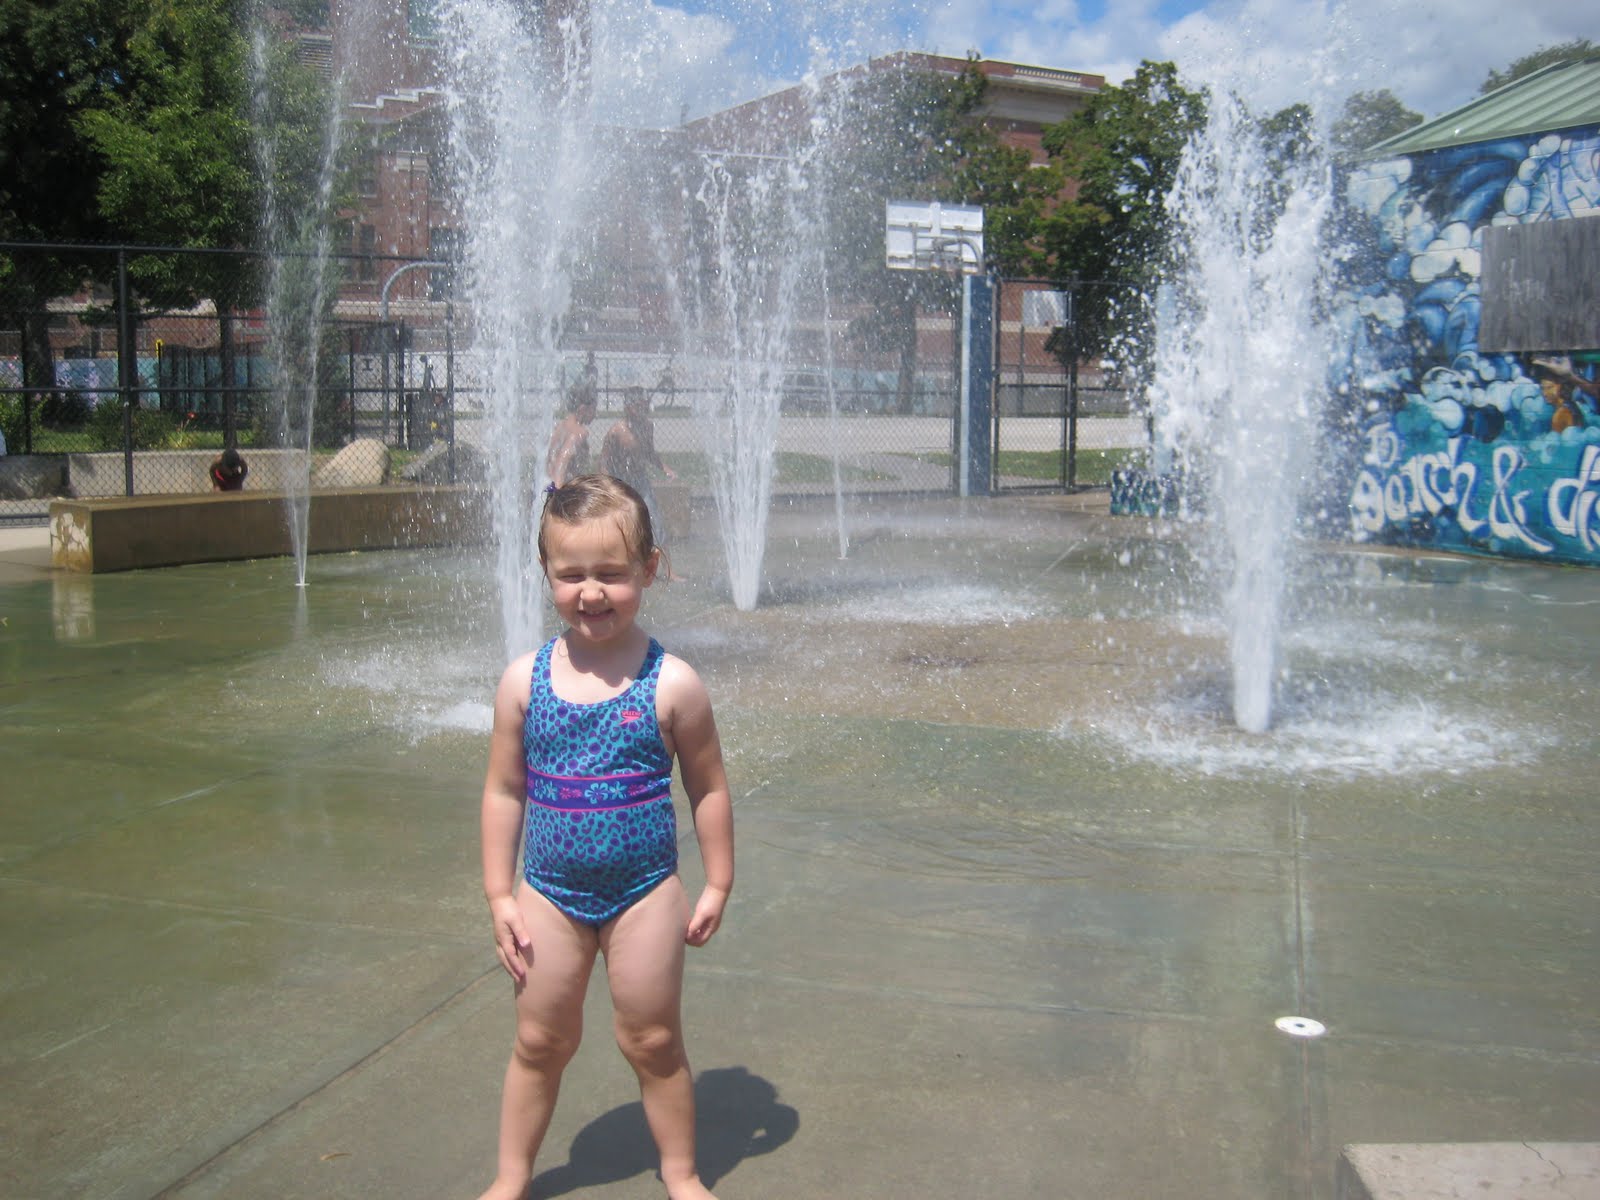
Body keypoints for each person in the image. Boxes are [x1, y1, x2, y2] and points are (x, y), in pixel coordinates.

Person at [477, 474, 733, 1200]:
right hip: (548, 891)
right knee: (539, 1040)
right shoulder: (524, 681)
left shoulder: (672, 684)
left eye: (612, 574)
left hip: (645, 892)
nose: (591, 592)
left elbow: (708, 787)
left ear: (649, 569)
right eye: (572, 575)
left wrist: (718, 881)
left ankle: (681, 1173)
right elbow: (503, 790)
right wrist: (499, 893)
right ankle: (511, 1176)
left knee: (652, 1039)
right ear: (545, 572)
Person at [599, 386, 677, 533]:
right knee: (621, 520)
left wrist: (665, 468)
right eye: (638, 405)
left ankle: (657, 544)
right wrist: (608, 485)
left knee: (652, 518)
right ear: (627, 407)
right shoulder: (616, 431)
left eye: (644, 404)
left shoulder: (647, 427)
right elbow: (603, 461)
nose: (642, 409)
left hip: (640, 478)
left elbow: (649, 453)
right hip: (620, 480)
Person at [546, 378, 598, 487]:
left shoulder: (560, 427)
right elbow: (562, 461)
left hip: (548, 485)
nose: (595, 414)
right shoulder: (578, 433)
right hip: (561, 489)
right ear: (583, 409)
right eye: (593, 409)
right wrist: (556, 492)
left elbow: (551, 462)